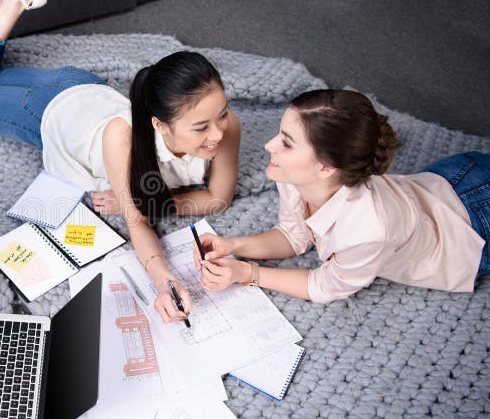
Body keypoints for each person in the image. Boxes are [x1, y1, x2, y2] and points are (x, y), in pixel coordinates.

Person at [0, 0, 241, 323]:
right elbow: (137, 223)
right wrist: (160, 269)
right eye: (201, 127)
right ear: (158, 124)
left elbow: (218, 199)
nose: (217, 133)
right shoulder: (124, 138)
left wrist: (152, 200)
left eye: (221, 114)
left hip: (87, 86)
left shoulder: (227, 127)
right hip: (50, 112)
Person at [193, 88, 489, 303]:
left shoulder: (368, 228)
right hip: (453, 175)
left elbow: (326, 286)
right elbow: (295, 236)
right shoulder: (292, 173)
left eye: (286, 143)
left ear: (324, 168)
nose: (270, 146)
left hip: (474, 225)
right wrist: (232, 244)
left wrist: (248, 274)